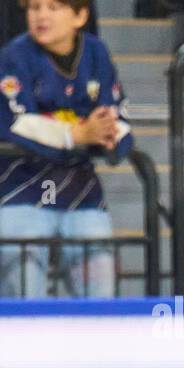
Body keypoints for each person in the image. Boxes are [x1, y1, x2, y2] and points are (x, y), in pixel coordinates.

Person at [0, 0, 130, 299]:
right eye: (34, 7)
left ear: (80, 16)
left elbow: (115, 112)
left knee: (101, 297)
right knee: (25, 303)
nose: (41, 16)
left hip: (81, 195)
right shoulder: (13, 56)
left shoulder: (97, 53)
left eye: (53, 7)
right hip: (21, 193)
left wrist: (111, 135)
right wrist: (77, 134)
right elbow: (19, 124)